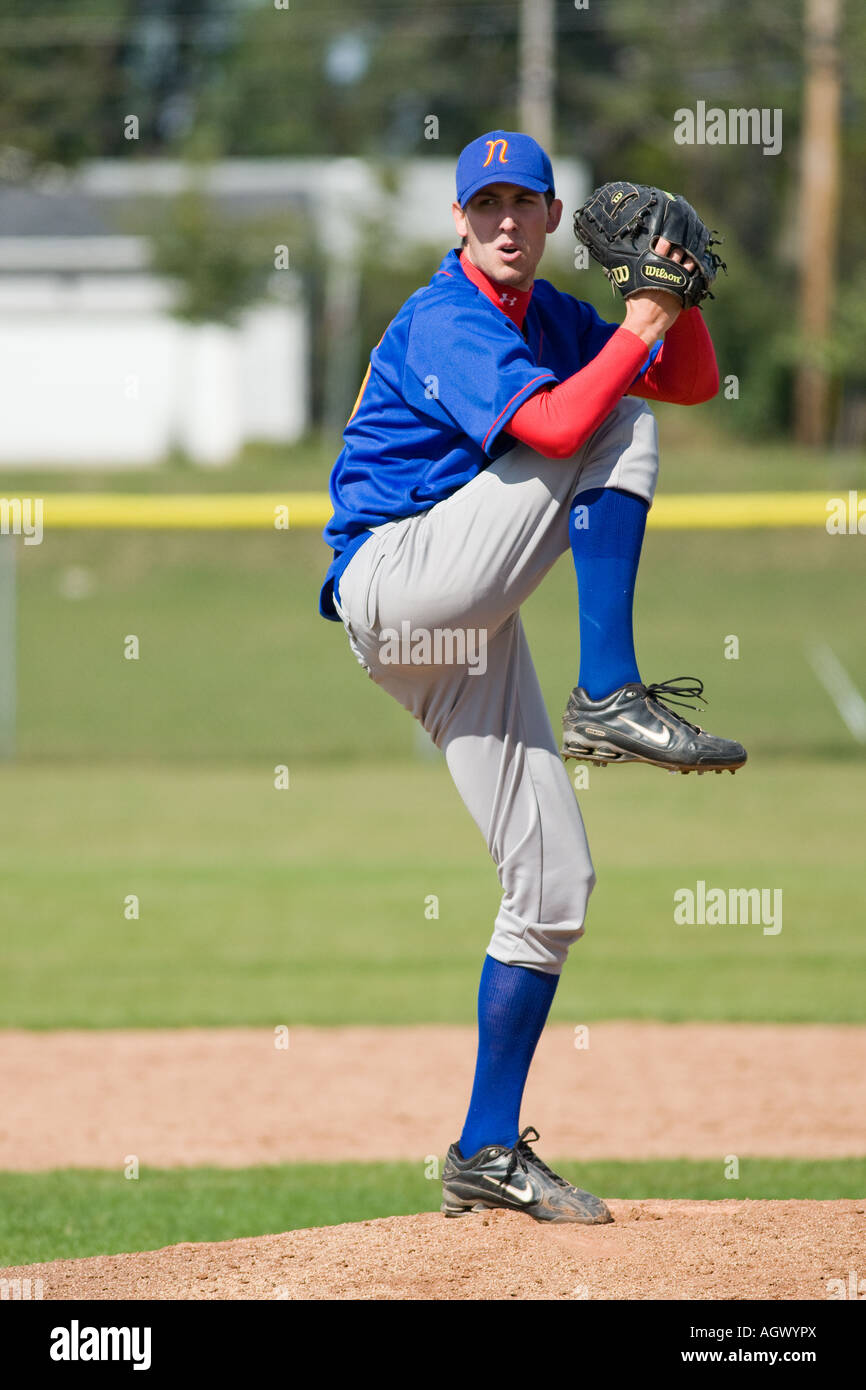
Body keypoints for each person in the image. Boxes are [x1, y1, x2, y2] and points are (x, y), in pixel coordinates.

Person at [318, 130, 746, 1225]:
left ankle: (484, 1148)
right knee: (611, 422)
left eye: (524, 202)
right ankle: (606, 687)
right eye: (485, 203)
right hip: (400, 577)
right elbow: (560, 423)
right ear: (458, 222)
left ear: (554, 221)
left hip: (461, 620)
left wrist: (672, 297)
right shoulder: (444, 317)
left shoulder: (549, 317)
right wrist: (640, 326)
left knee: (552, 886)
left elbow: (689, 379)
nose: (505, 220)